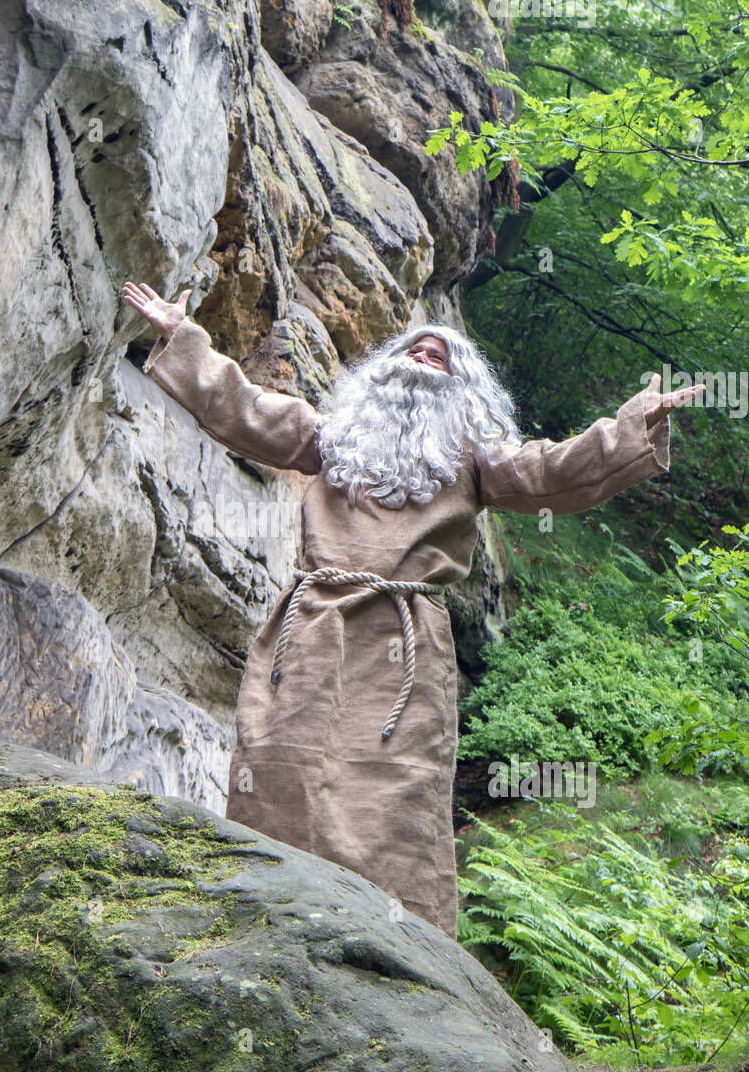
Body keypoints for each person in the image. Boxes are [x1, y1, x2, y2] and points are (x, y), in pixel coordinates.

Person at [123, 281, 705, 938]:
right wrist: (183, 337)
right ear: (378, 375)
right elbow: (244, 407)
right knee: (282, 759)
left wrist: (634, 427)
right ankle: (266, 923)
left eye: (442, 359)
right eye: (415, 351)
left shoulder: (478, 465)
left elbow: (555, 469)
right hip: (311, 628)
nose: (427, 358)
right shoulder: (329, 441)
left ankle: (401, 948)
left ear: (468, 396)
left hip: (405, 648)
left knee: (395, 793)